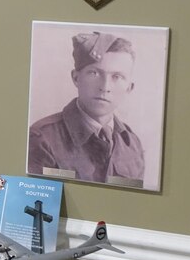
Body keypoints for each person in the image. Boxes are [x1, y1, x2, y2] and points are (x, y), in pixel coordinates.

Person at [27, 31, 144, 188]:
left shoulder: (132, 144)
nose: (105, 87)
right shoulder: (42, 138)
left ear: (129, 88)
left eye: (117, 76)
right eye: (94, 73)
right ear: (76, 78)